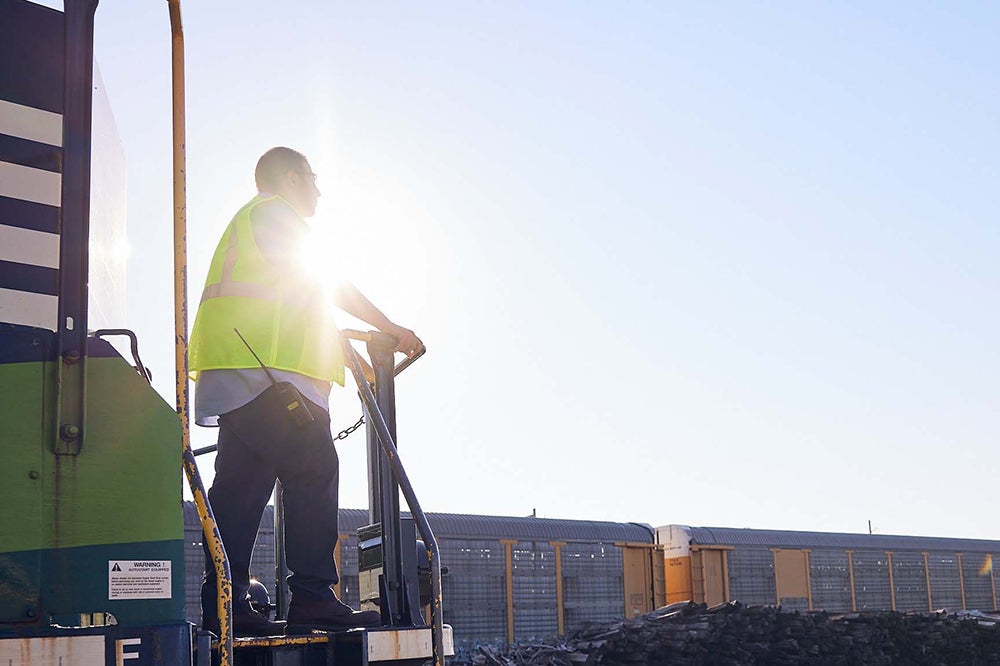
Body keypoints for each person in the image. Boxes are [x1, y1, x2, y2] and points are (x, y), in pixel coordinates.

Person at [189, 147, 423, 637]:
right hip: (270, 374)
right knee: (314, 467)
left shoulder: (252, 223)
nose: (318, 190)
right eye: (313, 179)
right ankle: (313, 597)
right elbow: (324, 280)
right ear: (292, 178)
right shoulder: (276, 213)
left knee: (240, 494)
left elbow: (296, 302)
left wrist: (344, 353)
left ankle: (222, 608)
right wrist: (388, 327)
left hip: (241, 374)